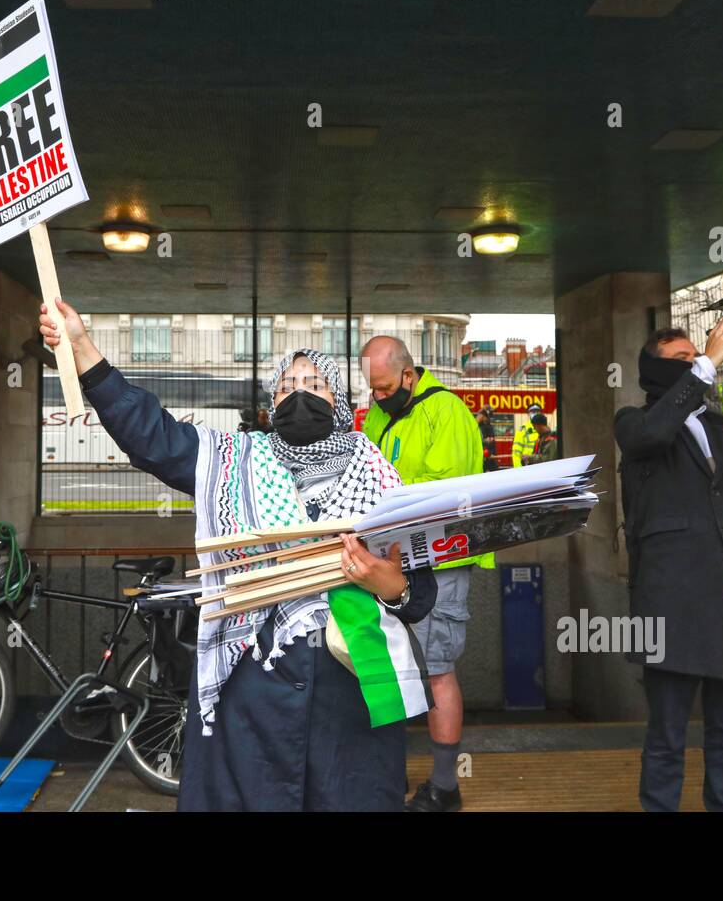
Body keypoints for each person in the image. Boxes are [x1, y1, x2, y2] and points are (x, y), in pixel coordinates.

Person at [42, 299, 438, 811]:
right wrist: (81, 347)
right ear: (271, 406)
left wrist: (387, 583)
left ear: (338, 402)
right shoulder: (234, 459)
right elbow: (150, 434)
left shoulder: (381, 476)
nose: (300, 393)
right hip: (253, 687)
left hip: (355, 694)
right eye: (286, 386)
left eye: (314, 385)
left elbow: (419, 595)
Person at [616, 320, 723, 812]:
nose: (694, 362)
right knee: (667, 735)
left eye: (697, 356)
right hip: (674, 605)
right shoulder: (634, 422)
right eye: (681, 358)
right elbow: (652, 435)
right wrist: (708, 363)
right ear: (654, 370)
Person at [360, 335, 494, 812]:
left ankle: (444, 786)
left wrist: (381, 497)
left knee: (436, 670)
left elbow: (446, 493)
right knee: (384, 667)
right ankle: (386, 775)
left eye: (383, 387)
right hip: (388, 560)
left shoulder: (448, 411)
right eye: (370, 389)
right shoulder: (380, 411)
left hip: (438, 563)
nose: (376, 398)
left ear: (409, 376)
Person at [476, 407, 500, 471]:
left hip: (487, 455)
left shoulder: (486, 426)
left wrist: (490, 453)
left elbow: (491, 440)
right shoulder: (479, 426)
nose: (478, 417)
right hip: (484, 455)